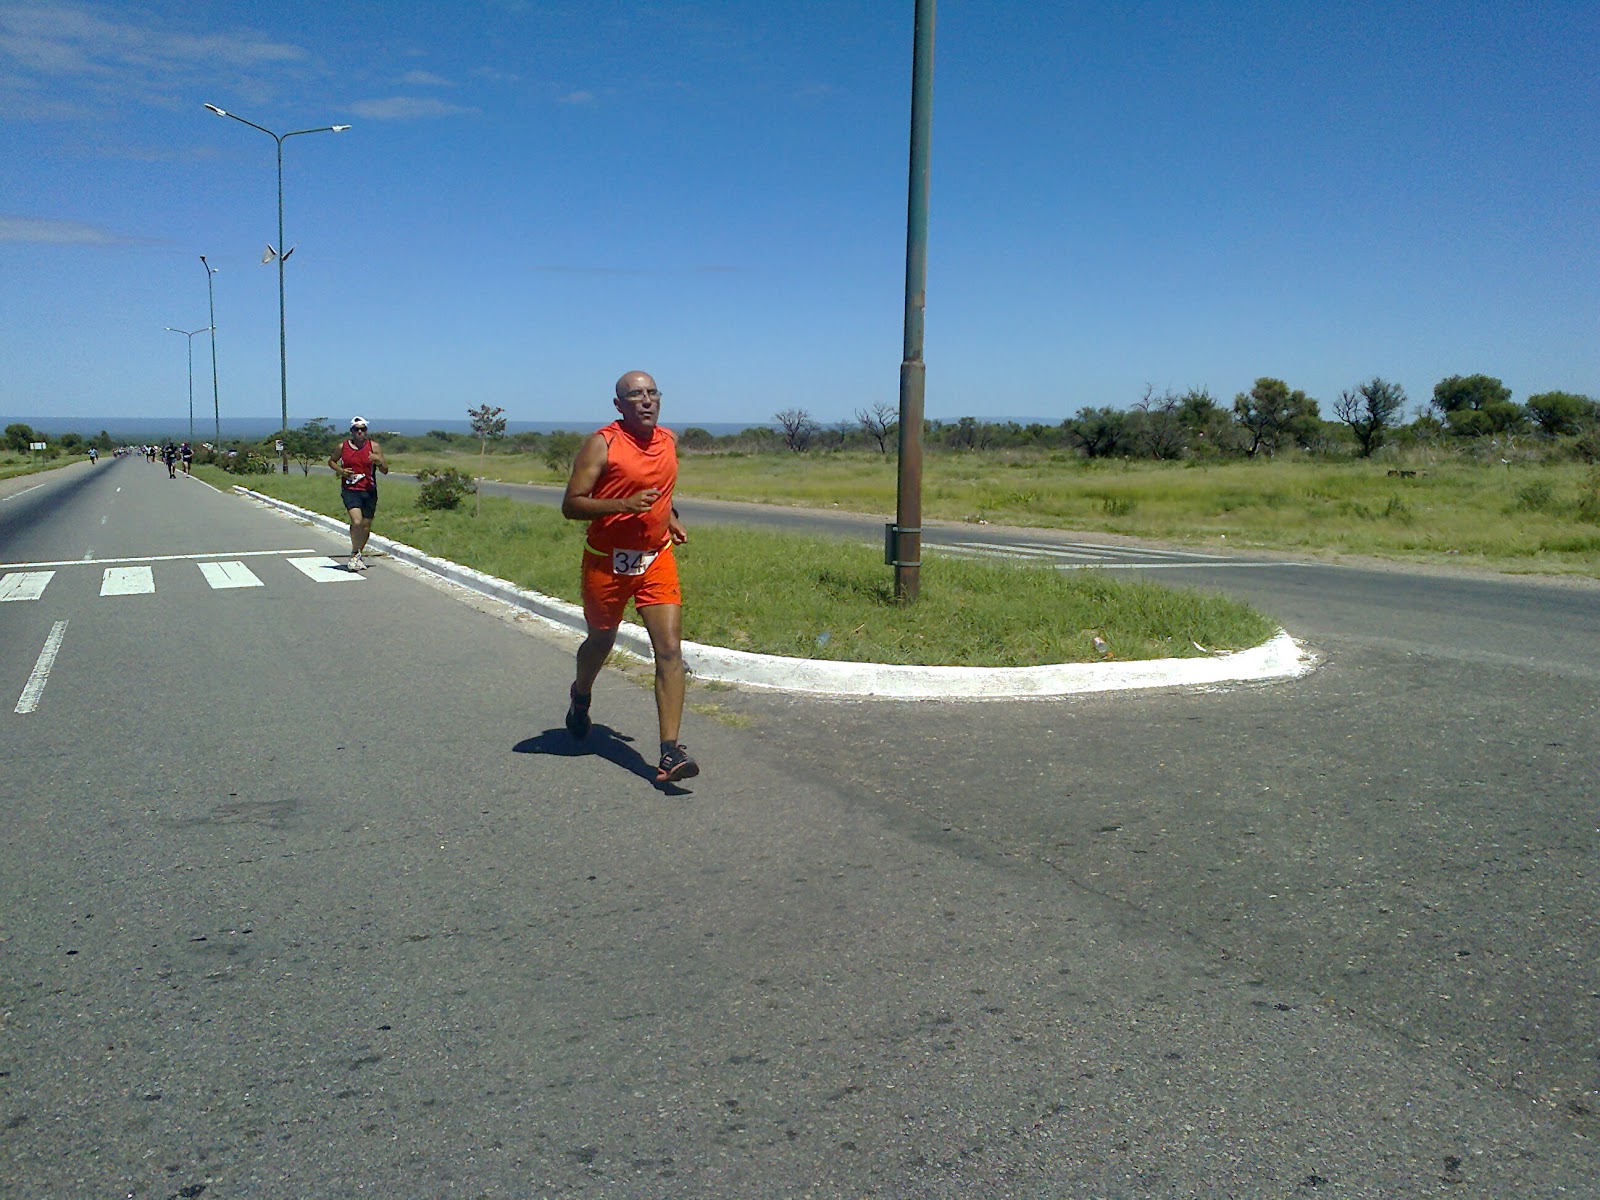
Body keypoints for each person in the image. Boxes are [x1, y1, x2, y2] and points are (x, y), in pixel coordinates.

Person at [560, 370, 698, 784]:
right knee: (602, 639)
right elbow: (571, 505)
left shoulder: (668, 440)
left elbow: (661, 489)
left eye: (652, 393)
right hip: (607, 560)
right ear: (619, 405)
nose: (646, 400)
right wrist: (624, 503)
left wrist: (669, 518)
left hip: (657, 557)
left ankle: (670, 752)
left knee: (670, 649)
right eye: (635, 395)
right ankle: (580, 695)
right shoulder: (602, 444)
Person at [327, 417, 389, 571]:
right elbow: (331, 461)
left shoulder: (374, 447)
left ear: (366, 431)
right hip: (350, 490)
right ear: (351, 432)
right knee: (357, 522)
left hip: (369, 490)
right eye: (357, 429)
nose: (360, 432)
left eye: (363, 429)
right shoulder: (342, 447)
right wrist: (341, 471)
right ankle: (355, 553)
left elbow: (385, 470)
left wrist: (378, 461)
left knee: (366, 526)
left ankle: (358, 554)